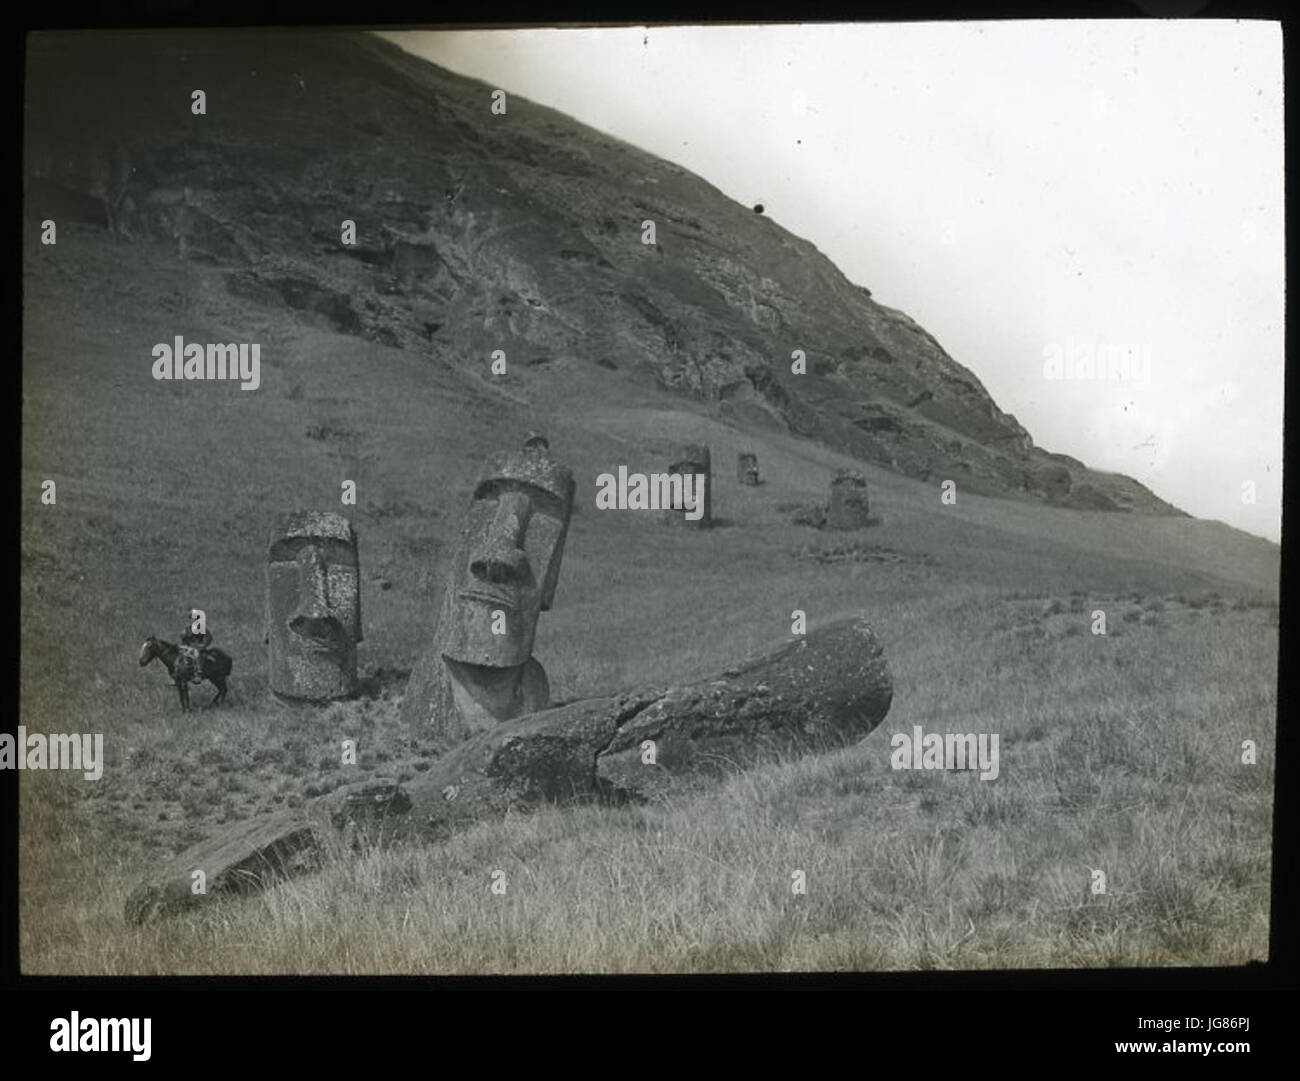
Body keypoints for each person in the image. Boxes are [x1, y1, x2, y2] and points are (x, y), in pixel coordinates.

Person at [178, 611, 213, 684]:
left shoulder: (203, 629)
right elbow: (183, 639)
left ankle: (198, 673)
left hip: (198, 648)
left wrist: (203, 645)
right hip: (188, 647)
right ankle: (177, 673)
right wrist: (183, 639)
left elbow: (208, 638)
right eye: (194, 619)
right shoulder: (188, 629)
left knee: (196, 655)